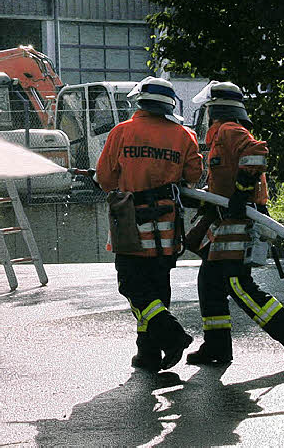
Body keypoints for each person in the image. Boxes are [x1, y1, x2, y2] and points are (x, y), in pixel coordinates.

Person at [186, 82, 284, 366]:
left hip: (240, 225)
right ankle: (216, 346)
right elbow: (224, 179)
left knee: (238, 284)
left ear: (216, 109)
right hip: (226, 224)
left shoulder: (230, 131)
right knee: (209, 282)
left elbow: (257, 153)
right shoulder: (222, 135)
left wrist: (242, 193)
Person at [96, 77, 203, 372]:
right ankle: (147, 354)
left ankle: (172, 335)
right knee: (157, 287)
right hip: (167, 231)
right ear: (168, 106)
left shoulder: (122, 132)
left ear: (140, 102)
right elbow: (194, 175)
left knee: (131, 285)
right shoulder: (184, 135)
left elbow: (105, 179)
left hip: (131, 226)